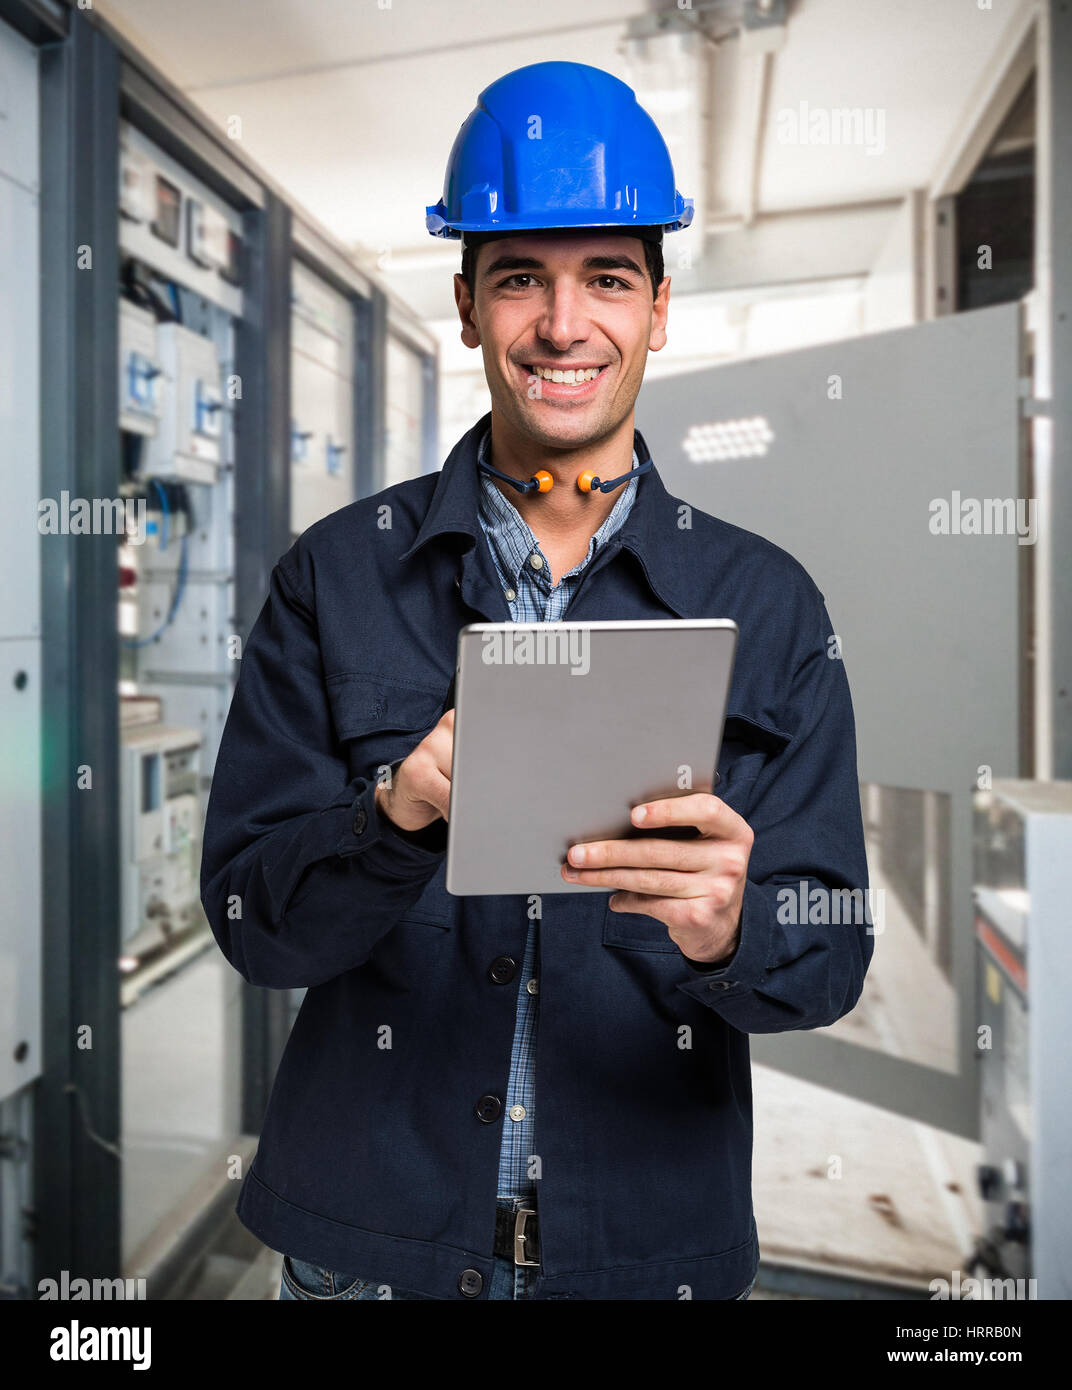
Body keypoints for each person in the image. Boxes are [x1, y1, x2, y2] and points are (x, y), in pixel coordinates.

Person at [200, 60, 873, 1302]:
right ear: (466, 305)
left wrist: (734, 926)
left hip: (639, 1256)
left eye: (606, 278)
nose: (564, 326)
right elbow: (250, 922)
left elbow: (831, 956)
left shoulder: (770, 608)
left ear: (658, 307)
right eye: (521, 278)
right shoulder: (336, 577)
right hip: (368, 1250)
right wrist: (387, 817)